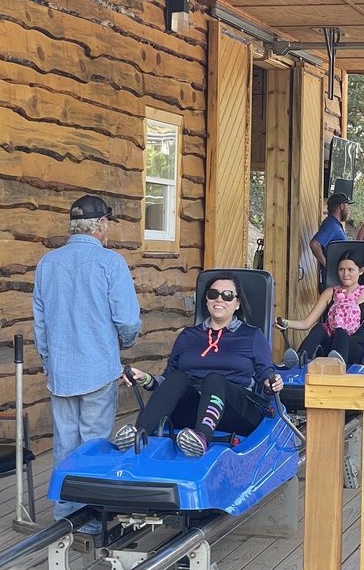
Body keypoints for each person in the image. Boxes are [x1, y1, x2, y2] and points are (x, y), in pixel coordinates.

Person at [33, 194, 141, 525]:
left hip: (62, 372)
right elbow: (128, 320)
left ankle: (65, 515)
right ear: (100, 225)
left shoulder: (47, 263)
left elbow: (40, 323)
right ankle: (91, 516)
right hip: (98, 368)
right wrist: (121, 344)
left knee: (65, 445)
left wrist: (51, 361)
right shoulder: (111, 263)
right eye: (108, 223)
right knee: (93, 445)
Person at [128, 273, 283, 457]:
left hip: (236, 411)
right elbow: (168, 379)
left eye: (227, 295)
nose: (219, 299)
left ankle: (201, 438)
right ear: (207, 300)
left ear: (238, 303)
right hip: (194, 409)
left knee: (215, 380)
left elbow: (265, 377)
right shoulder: (188, 336)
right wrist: (145, 378)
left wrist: (269, 385)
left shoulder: (252, 336)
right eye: (213, 294)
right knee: (178, 378)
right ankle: (138, 435)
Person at [276, 249, 364, 367]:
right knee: (320, 327)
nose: (345, 274)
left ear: (361, 271)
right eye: (341, 269)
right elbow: (306, 323)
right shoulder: (329, 292)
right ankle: (299, 361)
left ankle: (338, 363)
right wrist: (285, 323)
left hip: (354, 346)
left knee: (340, 332)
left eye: (350, 270)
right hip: (329, 345)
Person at [309, 191, 351, 271]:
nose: (348, 209)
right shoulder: (331, 225)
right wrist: (328, 266)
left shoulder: (335, 224)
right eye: (347, 206)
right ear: (342, 206)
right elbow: (314, 244)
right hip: (333, 279)